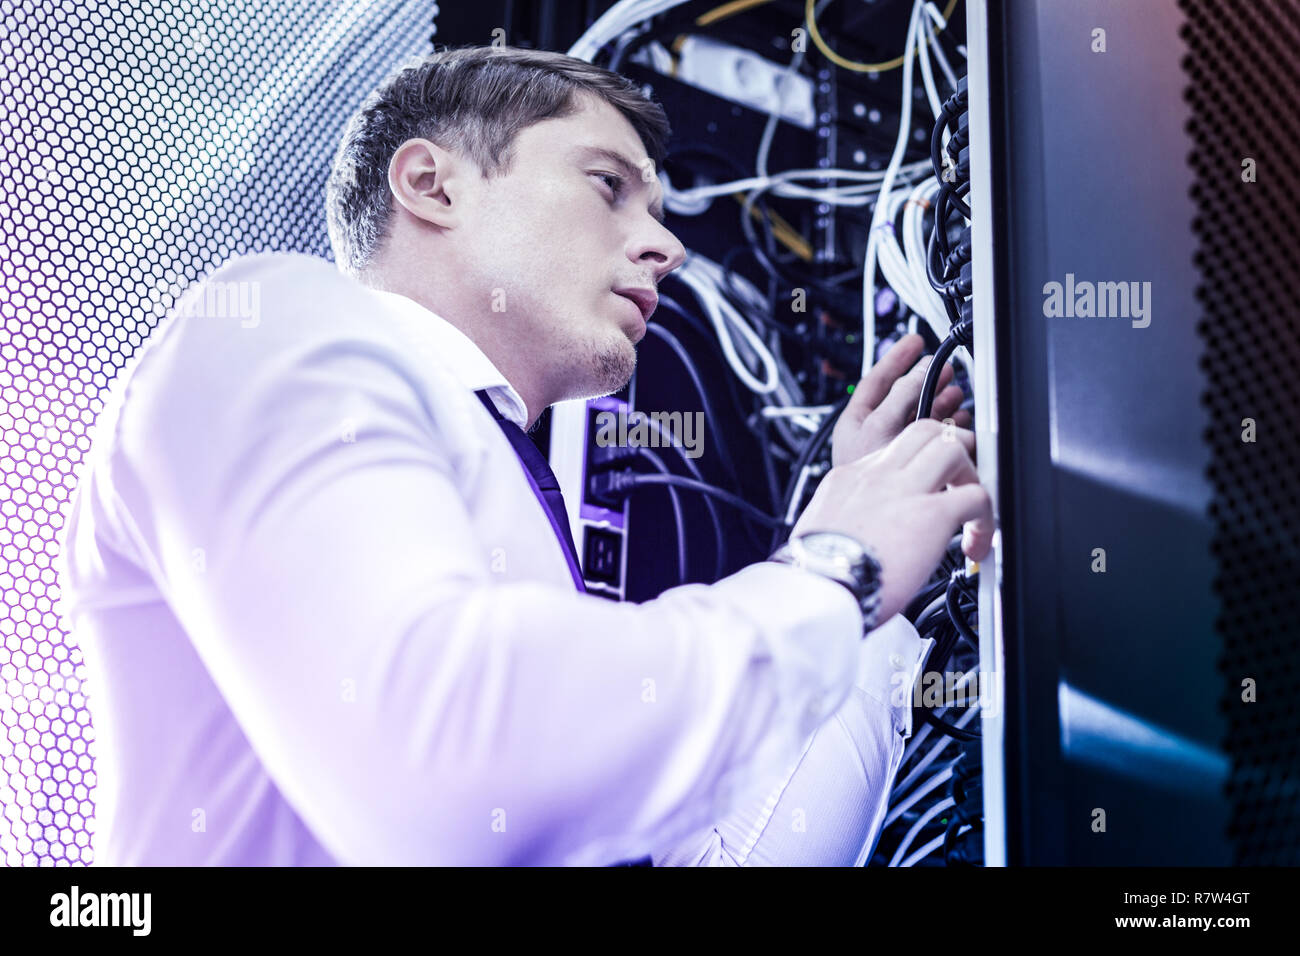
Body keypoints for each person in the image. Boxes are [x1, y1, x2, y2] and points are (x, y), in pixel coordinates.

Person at [55, 45, 990, 866]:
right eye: (607, 184)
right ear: (432, 183)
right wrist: (835, 568)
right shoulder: (270, 327)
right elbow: (442, 767)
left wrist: (864, 570)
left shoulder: (506, 516)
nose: (665, 243)